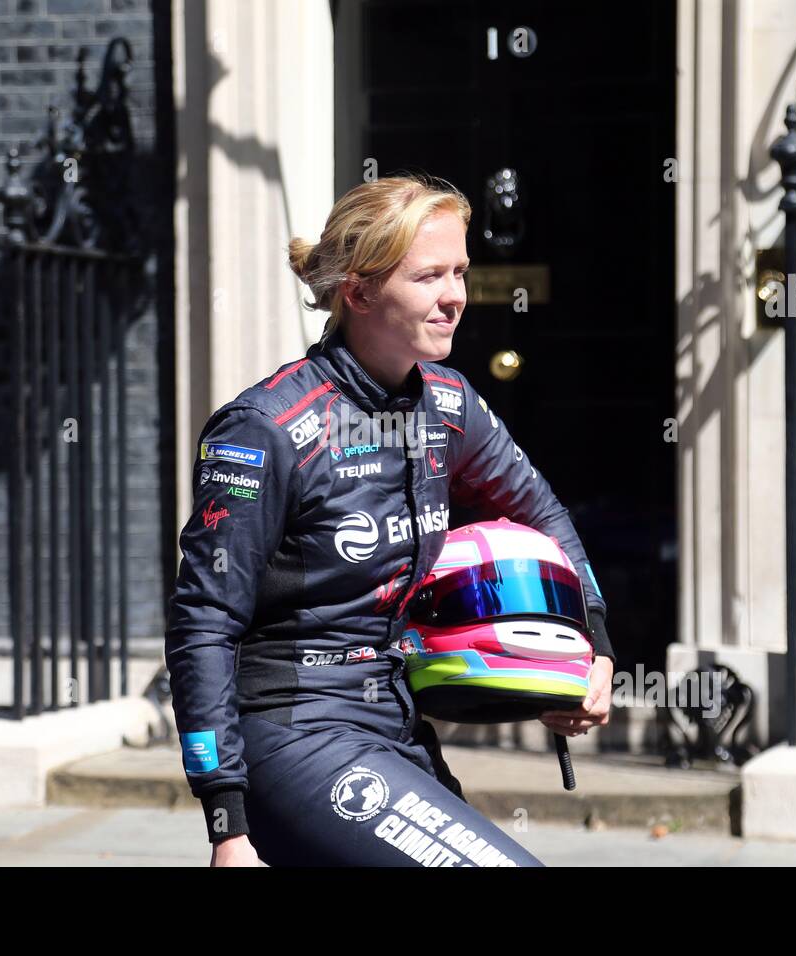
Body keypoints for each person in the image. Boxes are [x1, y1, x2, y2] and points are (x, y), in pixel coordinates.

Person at [165, 174, 615, 867]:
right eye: (429, 275)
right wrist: (226, 821)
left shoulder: (449, 404)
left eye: (460, 271)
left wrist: (593, 649)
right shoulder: (264, 429)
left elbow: (541, 512)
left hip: (395, 720)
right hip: (292, 733)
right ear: (361, 291)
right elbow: (203, 621)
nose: (456, 296)